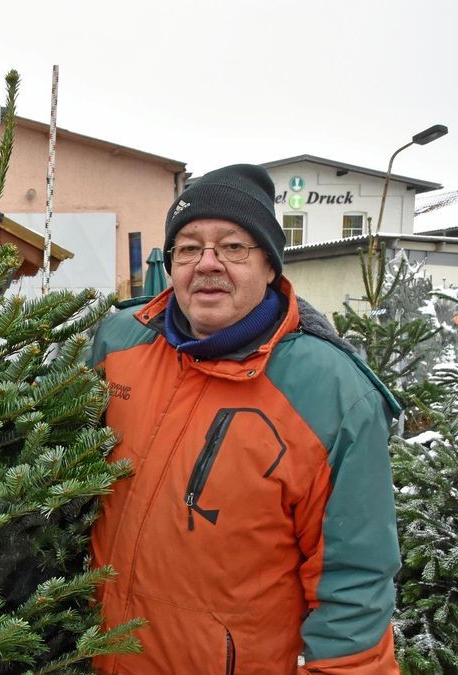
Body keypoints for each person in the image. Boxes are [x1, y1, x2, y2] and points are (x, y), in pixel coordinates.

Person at [89, 164, 400, 674]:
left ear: (272, 266)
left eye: (233, 247)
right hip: (93, 656)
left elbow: (354, 581)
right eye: (188, 248)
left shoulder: (332, 393)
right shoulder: (120, 341)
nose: (207, 264)